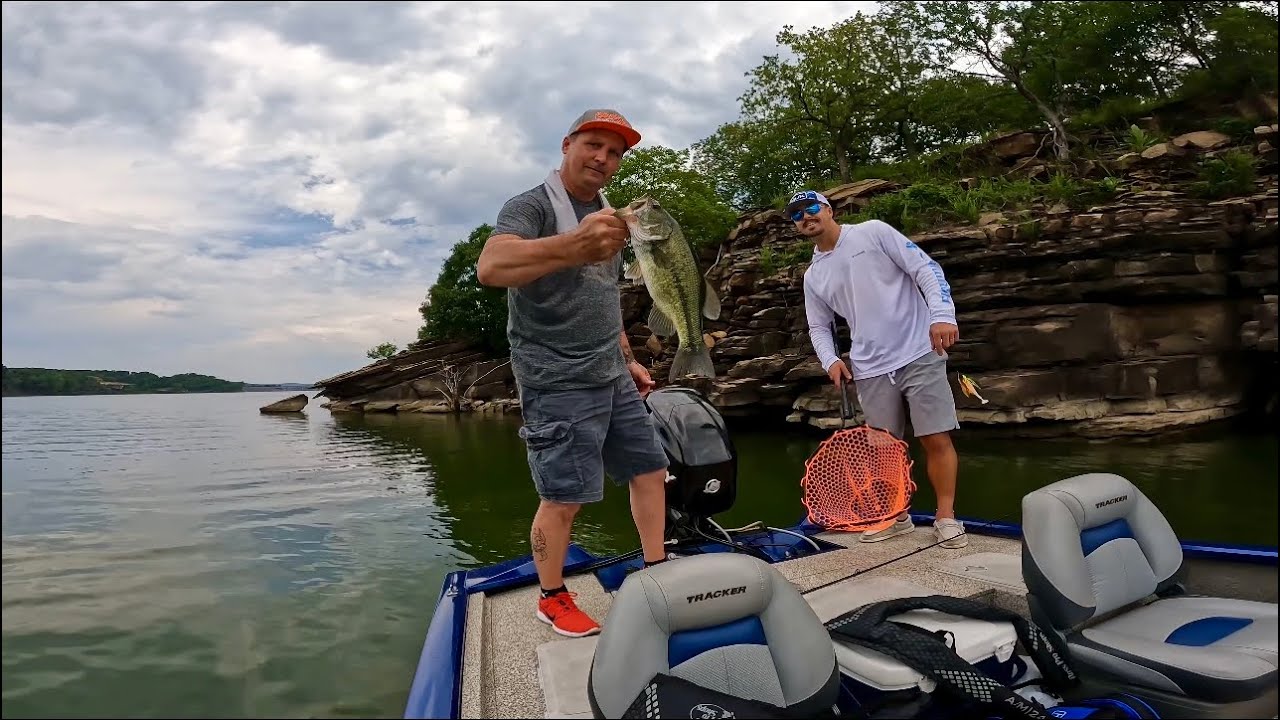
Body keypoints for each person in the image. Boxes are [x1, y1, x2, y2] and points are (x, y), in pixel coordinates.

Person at [475, 109, 672, 638]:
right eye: (593, 145)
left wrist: (628, 357)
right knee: (564, 497)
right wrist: (573, 245)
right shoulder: (532, 205)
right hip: (556, 379)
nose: (603, 158)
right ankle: (552, 596)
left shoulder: (610, 212)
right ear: (568, 144)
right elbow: (491, 267)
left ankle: (657, 569)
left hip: (610, 371)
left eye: (614, 152)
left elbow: (602, 297)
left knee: (650, 470)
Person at [792, 189, 968, 549]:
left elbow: (926, 268)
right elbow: (818, 327)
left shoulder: (872, 231)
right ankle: (896, 516)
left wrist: (942, 316)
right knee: (885, 451)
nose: (806, 217)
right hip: (869, 367)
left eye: (811, 208)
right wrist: (831, 360)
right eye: (796, 215)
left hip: (920, 349)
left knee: (935, 437)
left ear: (828, 209)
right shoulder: (814, 276)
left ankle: (946, 517)